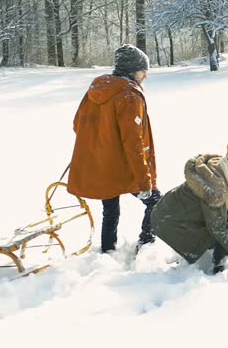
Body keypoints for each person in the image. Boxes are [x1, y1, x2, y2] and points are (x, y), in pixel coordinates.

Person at [68, 44, 160, 253]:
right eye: (142, 70)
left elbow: (78, 124)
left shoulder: (96, 89)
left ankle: (108, 252)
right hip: (123, 167)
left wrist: (101, 141)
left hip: (102, 167)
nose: (145, 75)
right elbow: (133, 142)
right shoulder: (129, 96)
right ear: (131, 71)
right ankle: (146, 246)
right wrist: (144, 181)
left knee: (110, 209)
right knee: (155, 202)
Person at [151, 139, 228, 274]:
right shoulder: (218, 190)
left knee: (226, 226)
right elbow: (217, 229)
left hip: (172, 214)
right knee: (227, 231)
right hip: (169, 222)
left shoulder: (224, 170)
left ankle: (210, 260)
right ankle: (217, 271)